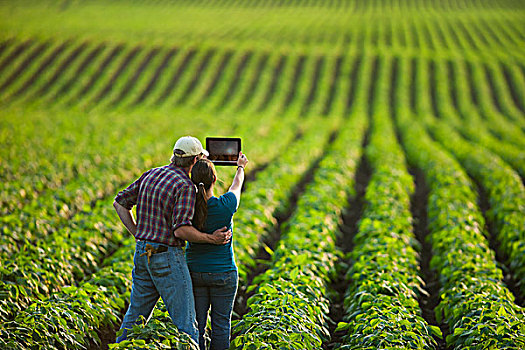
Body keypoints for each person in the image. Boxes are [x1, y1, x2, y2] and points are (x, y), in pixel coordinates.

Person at [113, 136, 232, 344]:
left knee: (135, 317)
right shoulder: (185, 186)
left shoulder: (152, 174)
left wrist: (138, 233)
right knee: (186, 323)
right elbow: (181, 230)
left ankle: (119, 346)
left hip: (143, 253)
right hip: (167, 258)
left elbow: (120, 204)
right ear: (195, 161)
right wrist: (210, 239)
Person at [185, 152, 248, 350]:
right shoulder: (225, 205)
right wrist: (240, 167)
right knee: (221, 326)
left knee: (198, 326)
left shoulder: (187, 208)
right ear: (214, 179)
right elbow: (236, 186)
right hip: (224, 273)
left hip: (195, 273)